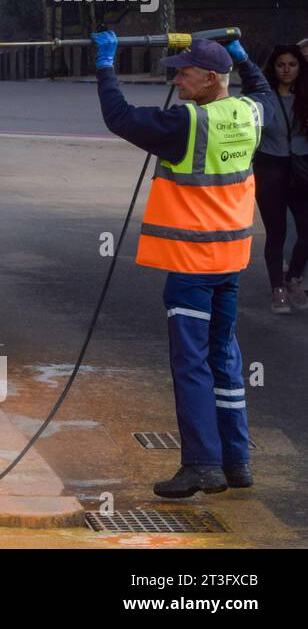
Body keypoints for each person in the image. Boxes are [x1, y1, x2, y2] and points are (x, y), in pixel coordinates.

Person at [93, 30, 269, 499]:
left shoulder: (188, 124)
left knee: (191, 364)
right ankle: (236, 461)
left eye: (184, 72)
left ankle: (201, 466)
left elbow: (120, 118)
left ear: (211, 79)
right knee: (224, 357)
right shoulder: (250, 112)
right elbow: (264, 91)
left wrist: (106, 66)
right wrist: (245, 58)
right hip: (231, 261)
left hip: (193, 263)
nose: (176, 79)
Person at [247, 46, 308, 313]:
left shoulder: (306, 96)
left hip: (302, 166)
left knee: (306, 230)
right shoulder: (263, 97)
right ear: (272, 67)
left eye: (292, 64)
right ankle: (277, 289)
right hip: (271, 166)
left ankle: (294, 277)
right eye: (280, 64)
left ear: (300, 67)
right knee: (277, 232)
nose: (286, 70)